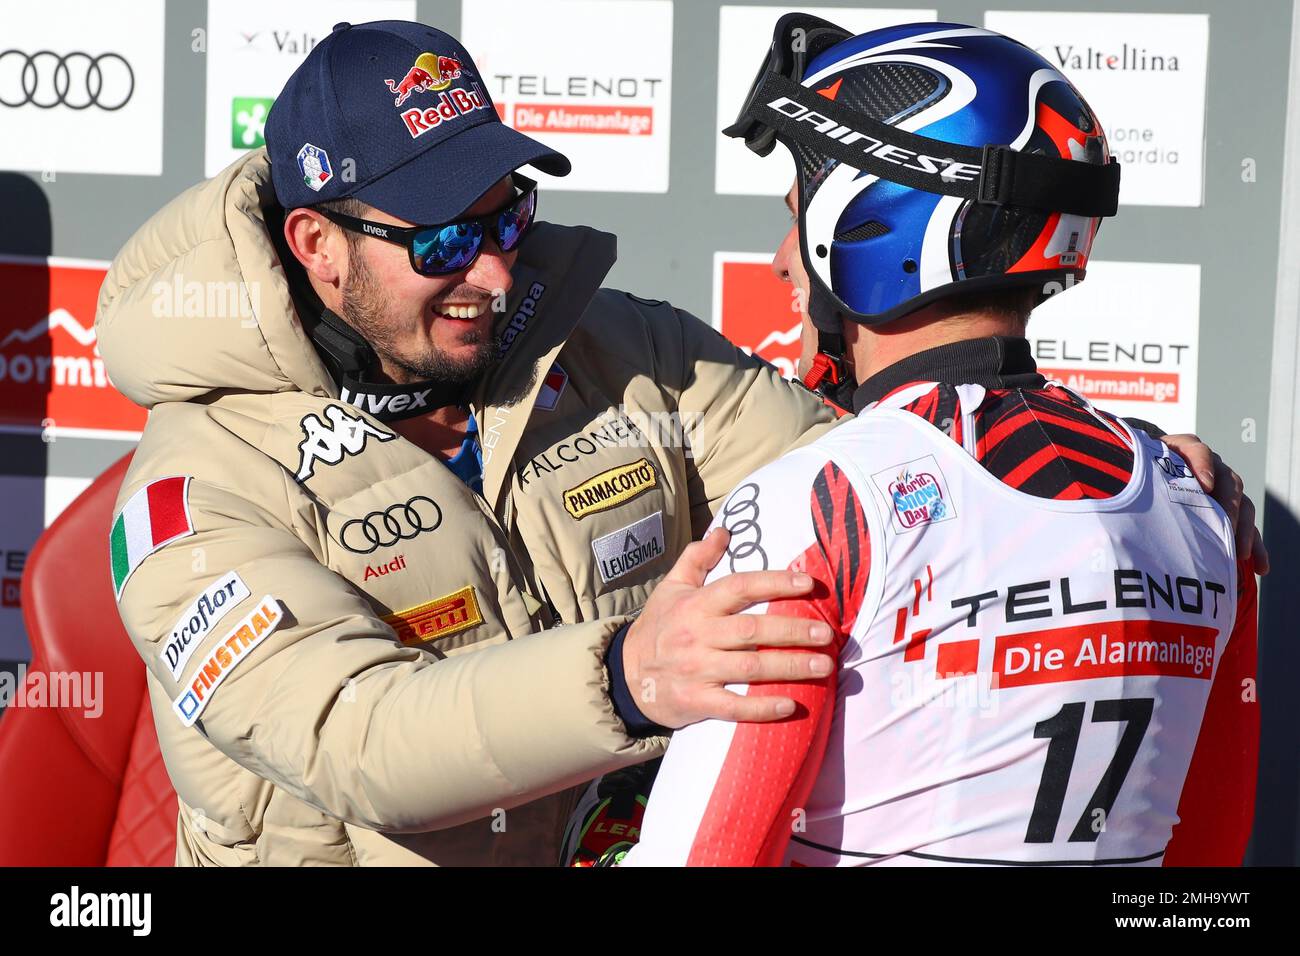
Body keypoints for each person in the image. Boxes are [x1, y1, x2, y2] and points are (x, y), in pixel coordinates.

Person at [97, 19, 1252, 867]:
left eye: (509, 213)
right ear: (317, 241)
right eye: (447, 235)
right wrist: (627, 677)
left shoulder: (615, 346)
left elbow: (877, 459)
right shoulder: (190, 488)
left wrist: (1095, 465)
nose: (494, 270)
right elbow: (355, 736)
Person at [621, 18, 1261, 867]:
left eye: (793, 220)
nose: (783, 261)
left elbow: (705, 852)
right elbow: (1212, 849)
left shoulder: (823, 500)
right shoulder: (1196, 498)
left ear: (872, 224)